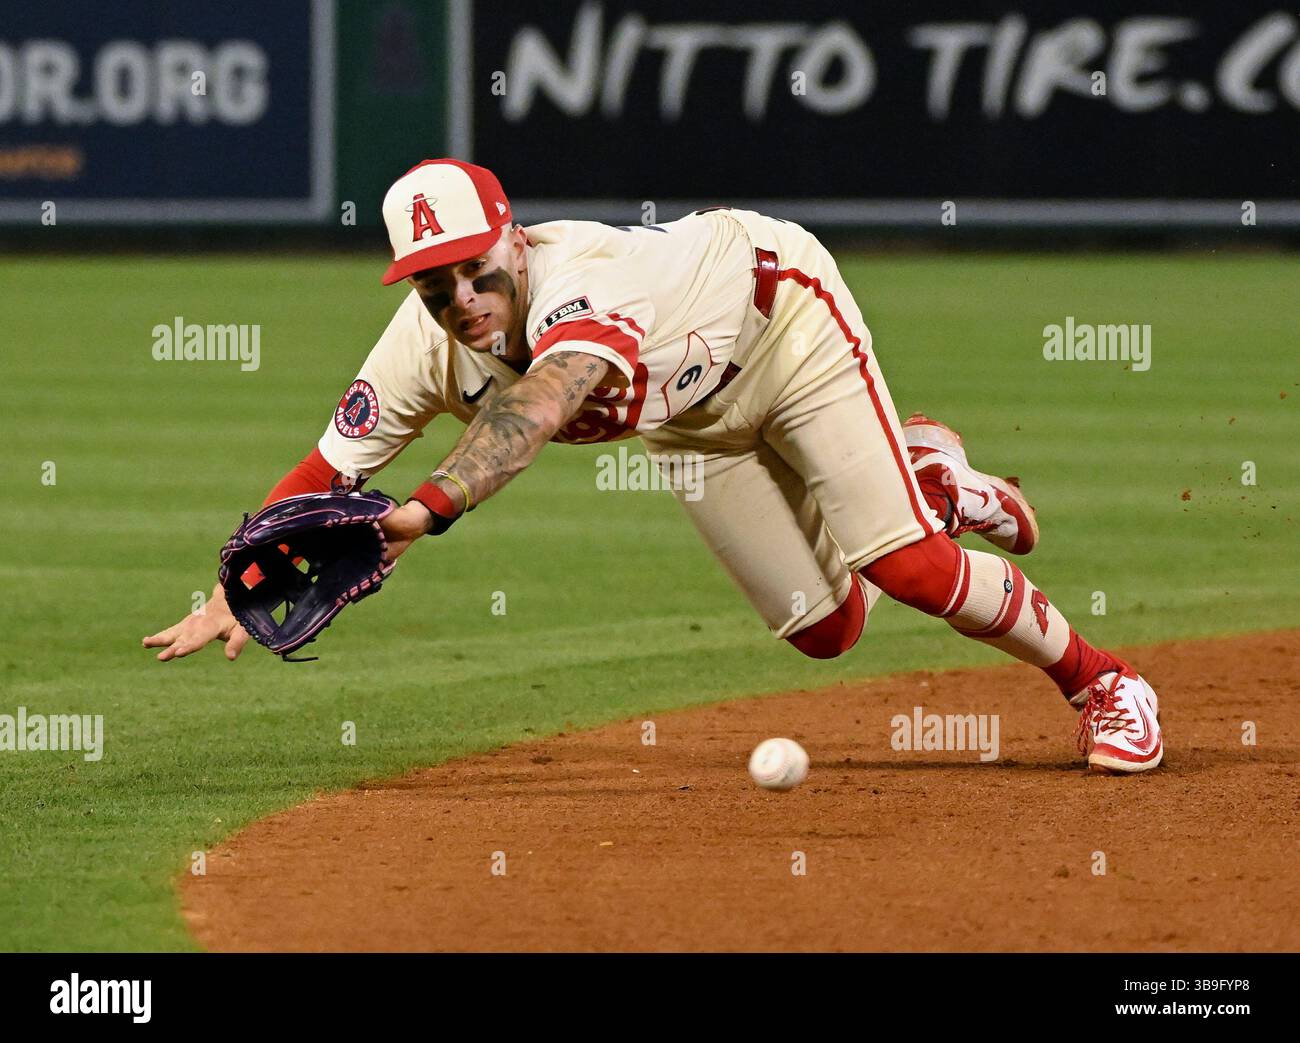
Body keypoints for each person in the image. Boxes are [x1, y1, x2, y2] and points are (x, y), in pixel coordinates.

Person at [144, 158, 1163, 774]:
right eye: (430, 282)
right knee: (825, 628)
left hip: (781, 328)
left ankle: (1103, 685)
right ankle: (927, 478)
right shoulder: (420, 345)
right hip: (688, 425)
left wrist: (424, 510)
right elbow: (324, 465)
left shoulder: (580, 283)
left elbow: (540, 406)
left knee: (903, 567)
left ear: (511, 236)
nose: (458, 296)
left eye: (471, 267)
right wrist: (237, 585)